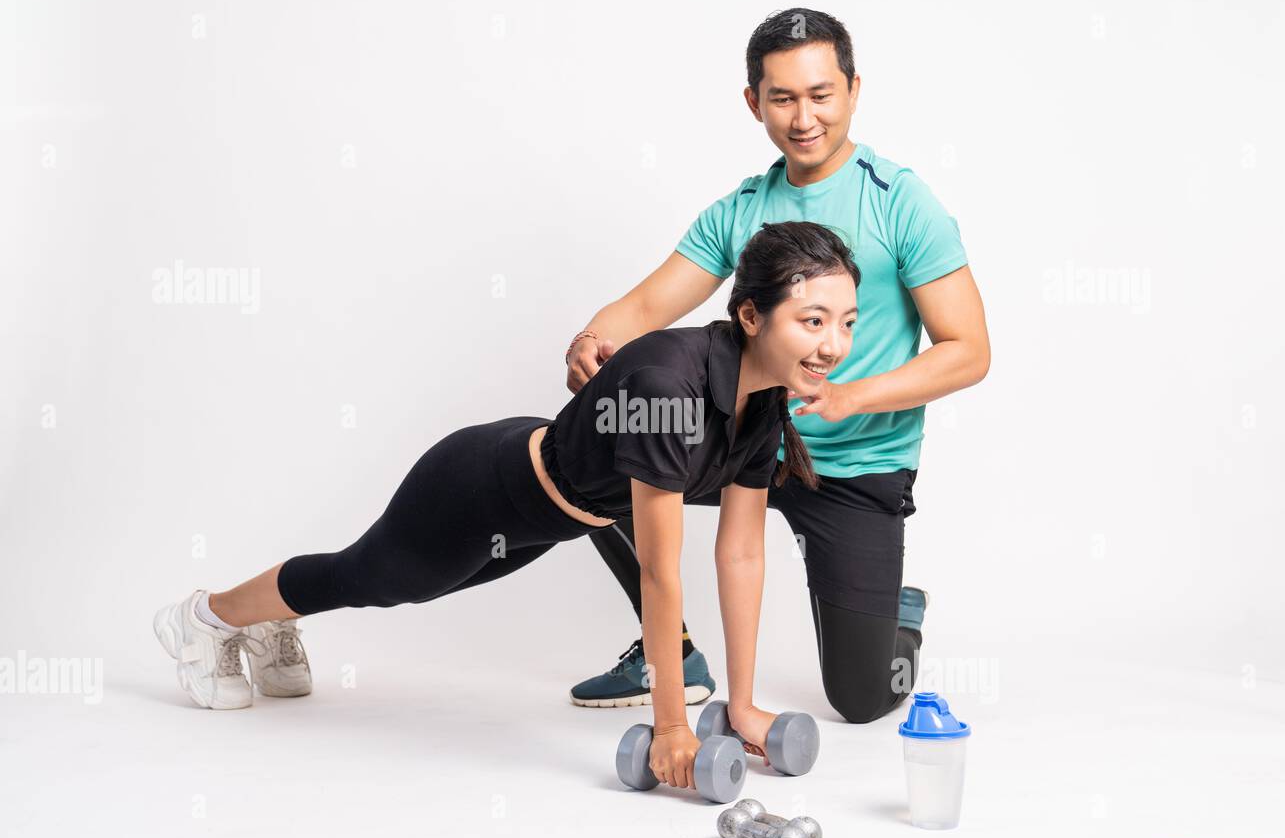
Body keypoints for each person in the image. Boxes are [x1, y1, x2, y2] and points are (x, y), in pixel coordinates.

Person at [153, 220, 861, 790]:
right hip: (479, 491)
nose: (833, 345)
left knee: (379, 583)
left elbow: (738, 552)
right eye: (813, 321)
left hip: (549, 519)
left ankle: (272, 619)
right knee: (370, 580)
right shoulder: (666, 388)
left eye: (847, 323)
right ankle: (204, 617)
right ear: (751, 315)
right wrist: (672, 727)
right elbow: (659, 571)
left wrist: (740, 711)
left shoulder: (766, 397)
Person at [565, 7, 991, 724]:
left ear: (854, 90)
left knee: (862, 700)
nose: (804, 117)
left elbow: (969, 350)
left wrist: (854, 397)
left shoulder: (903, 203)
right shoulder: (741, 210)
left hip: (854, 468)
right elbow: (645, 306)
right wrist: (591, 338)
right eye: (783, 97)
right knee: (587, 455)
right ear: (753, 102)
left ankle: (896, 616)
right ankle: (671, 646)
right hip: (744, 449)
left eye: (821, 94)